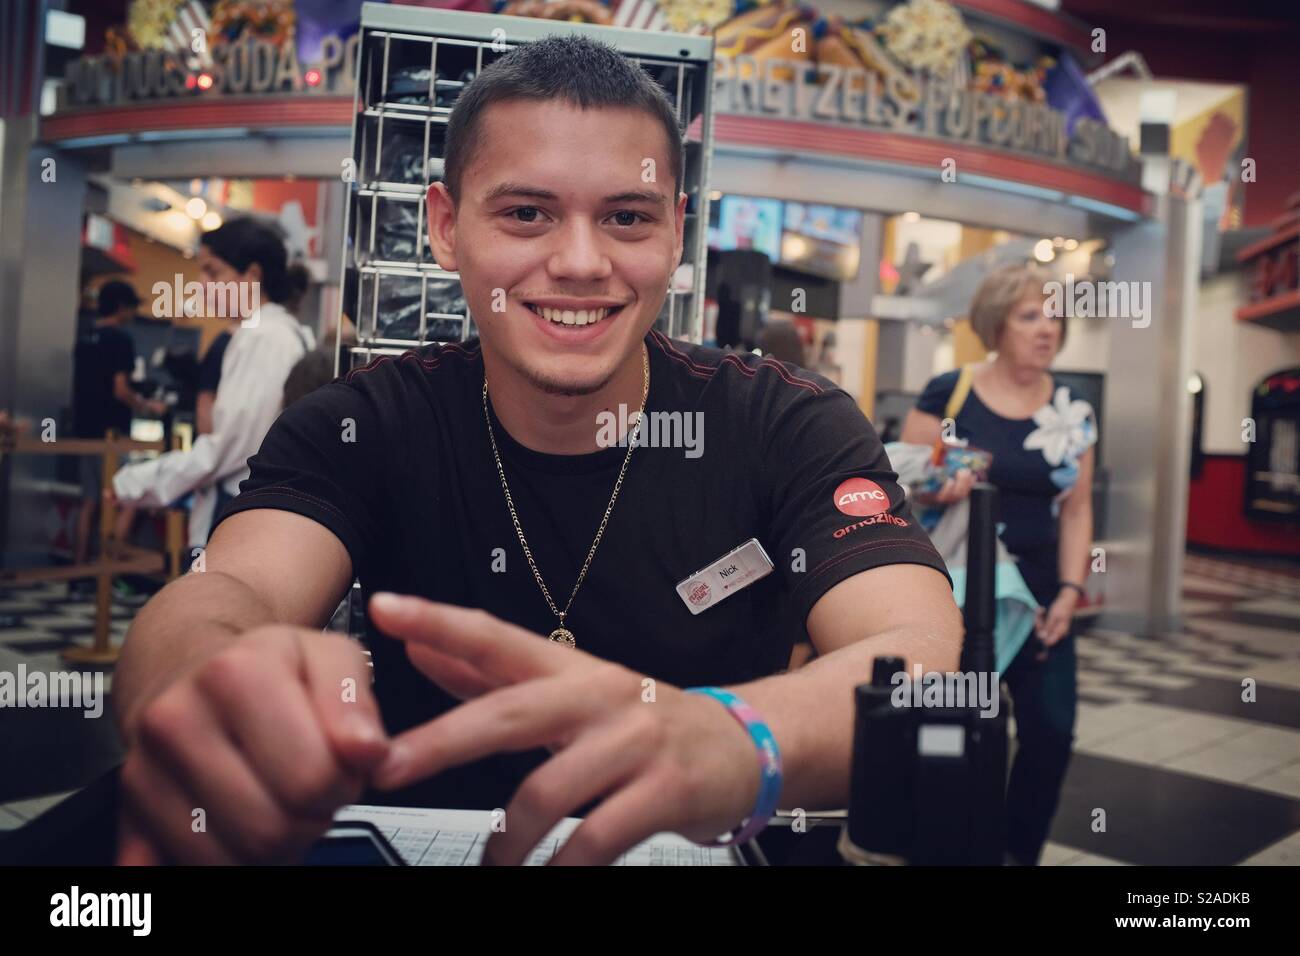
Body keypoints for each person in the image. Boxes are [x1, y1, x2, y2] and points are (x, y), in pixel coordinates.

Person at [112, 36, 961, 867]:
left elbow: (916, 647)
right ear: (445, 229)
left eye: (626, 218)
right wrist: (208, 685)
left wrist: (738, 733)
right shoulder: (363, 423)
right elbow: (229, 591)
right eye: (527, 213)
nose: (581, 263)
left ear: (674, 234)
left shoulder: (784, 422)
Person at [901, 262, 1098, 866]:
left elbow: (1077, 510)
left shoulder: (1073, 412)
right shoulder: (950, 391)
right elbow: (906, 481)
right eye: (1030, 316)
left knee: (1050, 732)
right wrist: (938, 487)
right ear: (996, 324)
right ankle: (943, 849)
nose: (1047, 330)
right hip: (958, 588)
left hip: (1040, 597)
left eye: (1055, 316)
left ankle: (1016, 855)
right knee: (951, 729)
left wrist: (1070, 590)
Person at [111, 218, 313, 551]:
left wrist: (135, 482)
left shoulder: (264, 337)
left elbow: (228, 450)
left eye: (213, 272)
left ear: (252, 276)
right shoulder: (267, 332)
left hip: (238, 509)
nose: (201, 284)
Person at [70, 281, 167, 578]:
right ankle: (106, 572)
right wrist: (147, 405)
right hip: (111, 433)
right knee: (123, 497)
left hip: (83, 430)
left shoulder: (85, 336)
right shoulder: (120, 340)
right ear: (122, 307)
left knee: (89, 501)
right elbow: (120, 389)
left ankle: (78, 572)